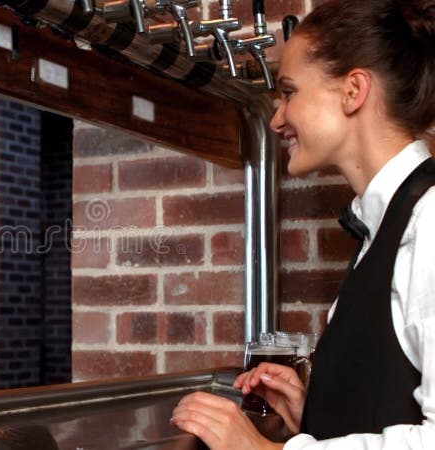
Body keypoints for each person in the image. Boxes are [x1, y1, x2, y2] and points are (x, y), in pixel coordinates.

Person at [170, 0, 435, 448]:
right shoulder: (384, 225)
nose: (276, 118)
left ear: (354, 90)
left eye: (289, 92)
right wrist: (312, 414)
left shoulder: (428, 219)